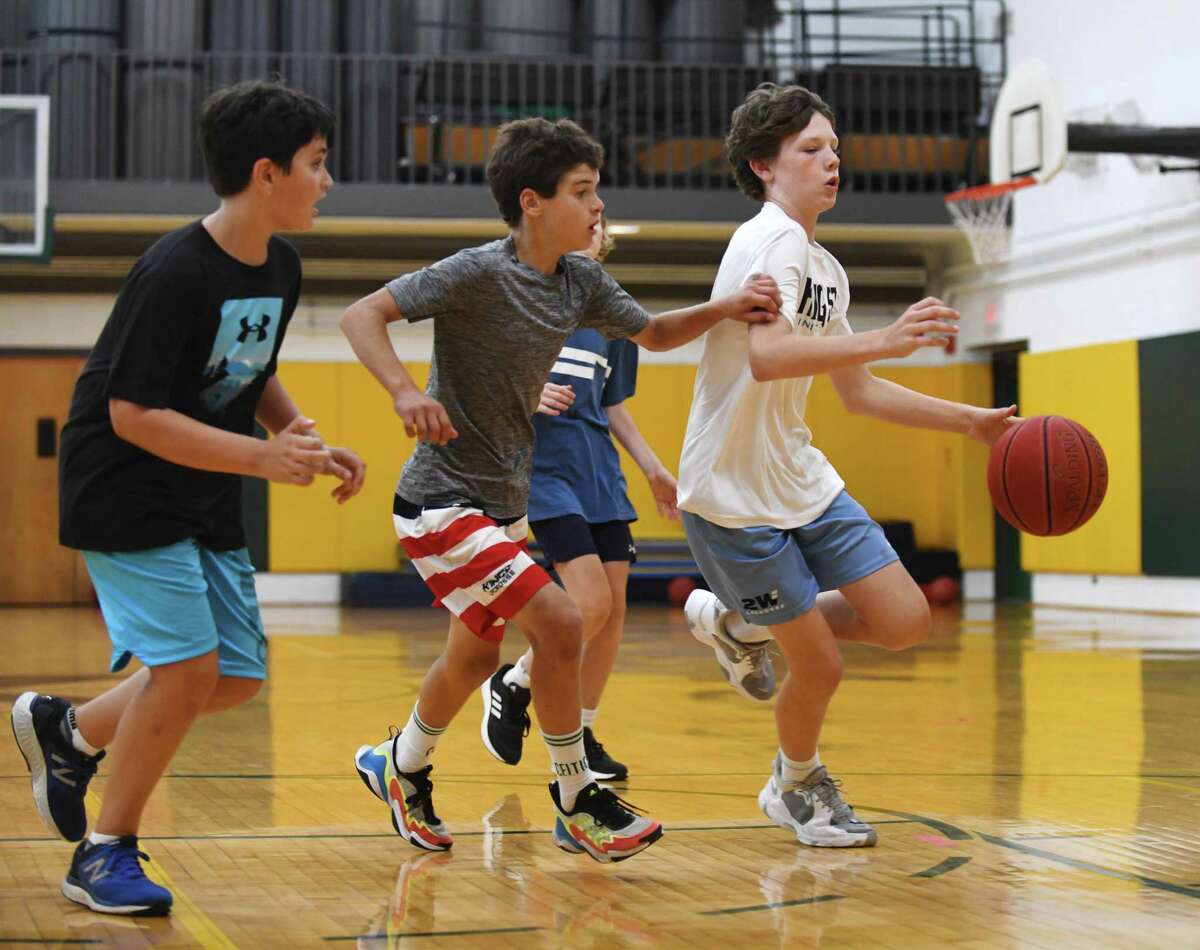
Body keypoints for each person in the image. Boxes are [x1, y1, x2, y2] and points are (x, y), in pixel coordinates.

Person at [342, 117, 779, 863]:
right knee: (563, 621)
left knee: (475, 662)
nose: (596, 205)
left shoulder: (581, 281)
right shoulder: (476, 272)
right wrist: (404, 393)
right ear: (532, 202)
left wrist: (725, 308)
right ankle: (577, 800)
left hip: (499, 508)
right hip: (440, 501)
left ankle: (400, 763)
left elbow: (656, 333)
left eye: (597, 190)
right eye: (582, 192)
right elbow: (363, 315)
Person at [9, 80, 365, 916]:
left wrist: (301, 436)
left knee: (232, 676)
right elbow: (132, 414)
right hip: (124, 481)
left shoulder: (280, 263)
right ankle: (104, 852)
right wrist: (259, 457)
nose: (329, 180)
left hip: (200, 484)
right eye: (318, 164)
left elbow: (252, 367)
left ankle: (71, 733)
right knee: (185, 669)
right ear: (267, 173)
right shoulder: (173, 269)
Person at [677, 83, 1017, 848]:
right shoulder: (769, 243)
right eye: (810, 150)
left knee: (904, 621)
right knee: (821, 666)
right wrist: (886, 338)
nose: (831, 162)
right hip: (734, 497)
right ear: (764, 165)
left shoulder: (822, 265)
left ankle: (737, 625)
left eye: (834, 149)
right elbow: (766, 359)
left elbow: (856, 392)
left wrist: (972, 422)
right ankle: (795, 785)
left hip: (800, 478)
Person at [479, 216, 680, 782]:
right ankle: (514, 682)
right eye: (581, 219)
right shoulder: (522, 301)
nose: (589, 230)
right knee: (587, 603)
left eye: (597, 224)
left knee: (613, 613)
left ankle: (583, 730)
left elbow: (615, 406)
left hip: (600, 475)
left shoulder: (615, 317)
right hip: (543, 470)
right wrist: (527, 390)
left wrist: (654, 467)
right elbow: (476, 382)